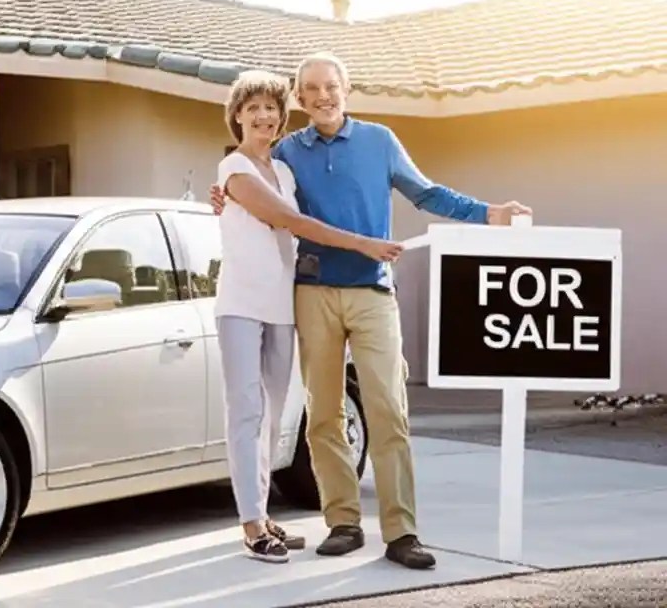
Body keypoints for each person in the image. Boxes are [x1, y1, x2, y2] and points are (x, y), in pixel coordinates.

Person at [210, 52, 531, 570]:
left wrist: (489, 213)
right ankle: (341, 522)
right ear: (299, 97)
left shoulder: (379, 141)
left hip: (373, 292)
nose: (321, 96)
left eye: (330, 86)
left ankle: (401, 531)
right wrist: (221, 198)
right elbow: (256, 188)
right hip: (310, 294)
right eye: (310, 88)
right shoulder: (288, 150)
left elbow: (426, 194)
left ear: (346, 88)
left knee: (388, 410)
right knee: (325, 415)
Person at [213, 69, 404, 563]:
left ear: (282, 117)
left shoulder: (284, 170)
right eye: (252, 108)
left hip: (281, 303)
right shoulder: (233, 169)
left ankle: (265, 513)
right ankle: (252, 524)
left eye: (271, 109)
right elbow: (291, 221)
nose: (263, 116)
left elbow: (294, 215)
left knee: (273, 415)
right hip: (240, 304)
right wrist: (364, 244)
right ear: (237, 115)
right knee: (246, 411)